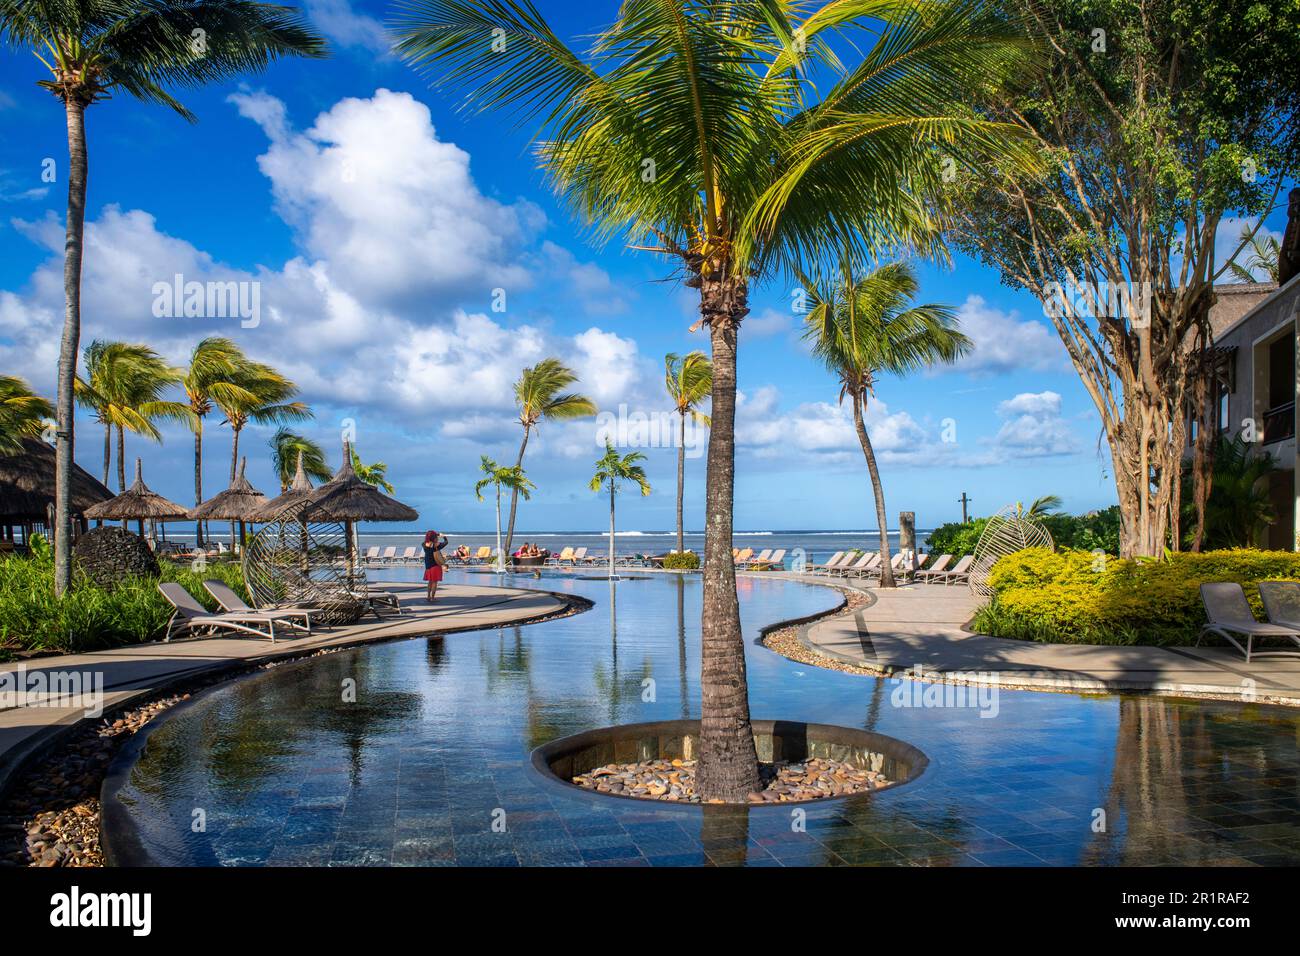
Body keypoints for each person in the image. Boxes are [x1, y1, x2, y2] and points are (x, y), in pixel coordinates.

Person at [422, 530, 447, 601]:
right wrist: (443, 536)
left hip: (428, 565)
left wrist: (434, 535)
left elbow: (428, 542)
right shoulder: (436, 545)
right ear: (434, 537)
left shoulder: (424, 544)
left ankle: (428, 596)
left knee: (430, 581)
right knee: (434, 582)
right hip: (435, 565)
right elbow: (446, 542)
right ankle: (432, 598)